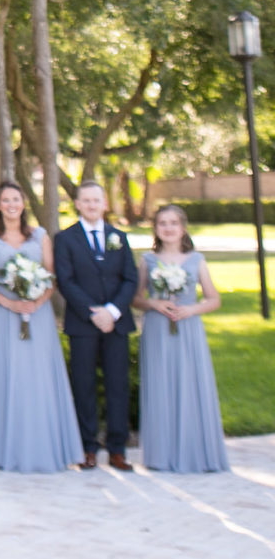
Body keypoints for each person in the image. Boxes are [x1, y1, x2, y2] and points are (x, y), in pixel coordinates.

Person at [0, 181, 84, 472]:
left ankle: (45, 446)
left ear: (23, 204)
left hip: (38, 315)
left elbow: (50, 276)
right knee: (5, 375)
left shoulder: (40, 236)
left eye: (16, 199)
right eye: (5, 200)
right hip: (1, 315)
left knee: (37, 377)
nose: (11, 204)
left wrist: (36, 301)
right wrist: (9, 304)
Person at [132, 205, 228, 472]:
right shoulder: (148, 261)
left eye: (173, 223)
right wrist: (154, 304)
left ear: (183, 228)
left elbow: (214, 298)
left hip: (187, 329)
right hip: (157, 331)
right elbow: (136, 298)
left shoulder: (196, 260)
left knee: (189, 385)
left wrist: (191, 309)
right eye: (162, 223)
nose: (168, 228)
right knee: (160, 385)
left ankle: (194, 451)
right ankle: (161, 455)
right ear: (156, 229)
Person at [55, 180, 138, 471]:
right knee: (84, 385)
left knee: (117, 386)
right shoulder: (65, 239)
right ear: (77, 204)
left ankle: (117, 449)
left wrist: (112, 311)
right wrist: (93, 313)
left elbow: (130, 278)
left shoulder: (119, 237)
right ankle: (88, 447)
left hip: (116, 324)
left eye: (96, 200)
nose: (91, 205)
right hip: (83, 324)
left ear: (105, 204)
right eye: (86, 200)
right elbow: (66, 280)